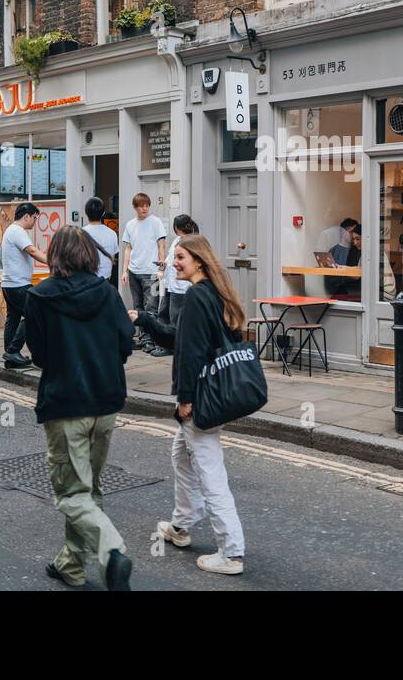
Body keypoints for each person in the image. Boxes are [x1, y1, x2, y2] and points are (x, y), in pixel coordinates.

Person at [130, 234, 248, 576]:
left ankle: (231, 551)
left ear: (198, 261)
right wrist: (145, 319)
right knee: (180, 456)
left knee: (211, 474)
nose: (174, 262)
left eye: (180, 257)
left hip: (200, 399)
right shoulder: (215, 293)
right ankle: (181, 527)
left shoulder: (198, 297)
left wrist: (185, 399)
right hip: (216, 394)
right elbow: (180, 338)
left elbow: (190, 353)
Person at [26, 226, 135, 592]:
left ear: (55, 255)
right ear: (89, 253)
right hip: (106, 403)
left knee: (71, 494)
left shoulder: (39, 297)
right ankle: (71, 565)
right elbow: (126, 344)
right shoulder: (107, 293)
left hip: (66, 403)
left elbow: (39, 355)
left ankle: (112, 550)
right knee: (90, 488)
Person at [0, 203, 48, 369]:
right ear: (26, 216)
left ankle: (11, 357)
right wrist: (53, 262)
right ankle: (13, 350)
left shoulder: (11, 231)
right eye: (35, 218)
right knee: (34, 313)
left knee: (13, 318)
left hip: (9, 283)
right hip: (18, 284)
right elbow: (33, 251)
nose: (35, 222)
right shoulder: (17, 231)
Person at [120, 192, 166, 352]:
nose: (145, 208)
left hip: (151, 271)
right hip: (134, 271)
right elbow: (128, 248)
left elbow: (161, 246)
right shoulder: (130, 225)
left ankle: (150, 339)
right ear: (135, 207)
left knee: (151, 307)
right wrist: (124, 271)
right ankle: (142, 338)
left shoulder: (156, 222)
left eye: (147, 205)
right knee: (138, 307)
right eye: (141, 205)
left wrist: (161, 268)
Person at [153, 214, 198, 356]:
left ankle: (172, 346)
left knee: (175, 318)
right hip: (170, 283)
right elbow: (169, 258)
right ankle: (163, 343)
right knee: (163, 313)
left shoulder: (191, 242)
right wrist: (162, 267)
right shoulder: (178, 240)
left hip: (181, 286)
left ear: (176, 227)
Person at [82, 196, 119, 282]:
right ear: (103, 213)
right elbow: (112, 258)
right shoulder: (112, 233)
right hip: (105, 279)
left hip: (86, 280)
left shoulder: (81, 233)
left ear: (86, 213)